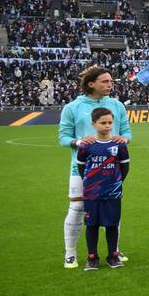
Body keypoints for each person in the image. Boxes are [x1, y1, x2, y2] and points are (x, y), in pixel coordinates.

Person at [59, 66, 131, 270]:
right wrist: (79, 142)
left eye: (111, 81)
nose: (110, 84)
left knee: (112, 209)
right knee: (77, 208)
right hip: (81, 169)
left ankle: (113, 250)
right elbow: (63, 138)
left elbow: (126, 133)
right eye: (105, 81)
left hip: (111, 170)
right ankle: (70, 253)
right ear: (91, 84)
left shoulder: (117, 106)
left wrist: (124, 138)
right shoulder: (73, 107)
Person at [76, 107, 129, 271]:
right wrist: (91, 183)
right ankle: (92, 258)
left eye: (110, 123)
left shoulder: (119, 145)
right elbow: (81, 168)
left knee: (112, 225)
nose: (107, 126)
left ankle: (112, 256)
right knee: (91, 225)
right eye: (103, 123)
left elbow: (125, 168)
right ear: (93, 124)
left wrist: (115, 183)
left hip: (112, 193)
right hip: (92, 194)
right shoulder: (86, 146)